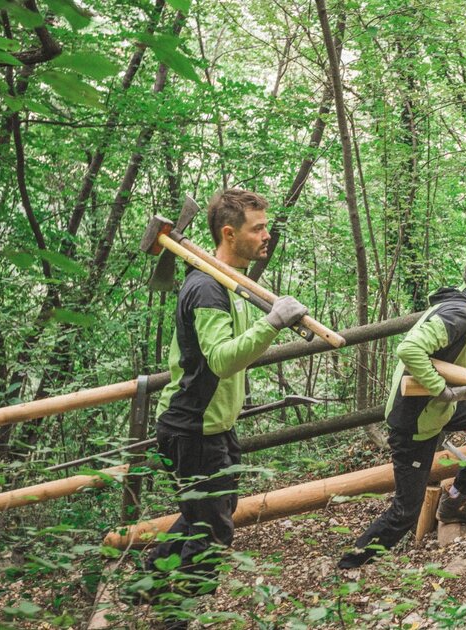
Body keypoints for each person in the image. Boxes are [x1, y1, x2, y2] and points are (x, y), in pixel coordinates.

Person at [137, 190, 308, 614]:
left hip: (217, 426)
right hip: (191, 426)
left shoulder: (232, 280)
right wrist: (272, 323)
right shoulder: (207, 288)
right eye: (258, 228)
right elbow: (223, 360)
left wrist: (270, 317)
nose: (267, 235)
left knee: (209, 513)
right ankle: (171, 613)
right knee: (212, 531)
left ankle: (151, 577)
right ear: (229, 233)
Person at [338, 249, 466, 569]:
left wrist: (448, 395)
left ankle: (456, 501)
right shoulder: (460, 312)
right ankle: (350, 565)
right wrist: (442, 390)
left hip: (440, 408)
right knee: (406, 511)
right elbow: (409, 348)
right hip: (417, 418)